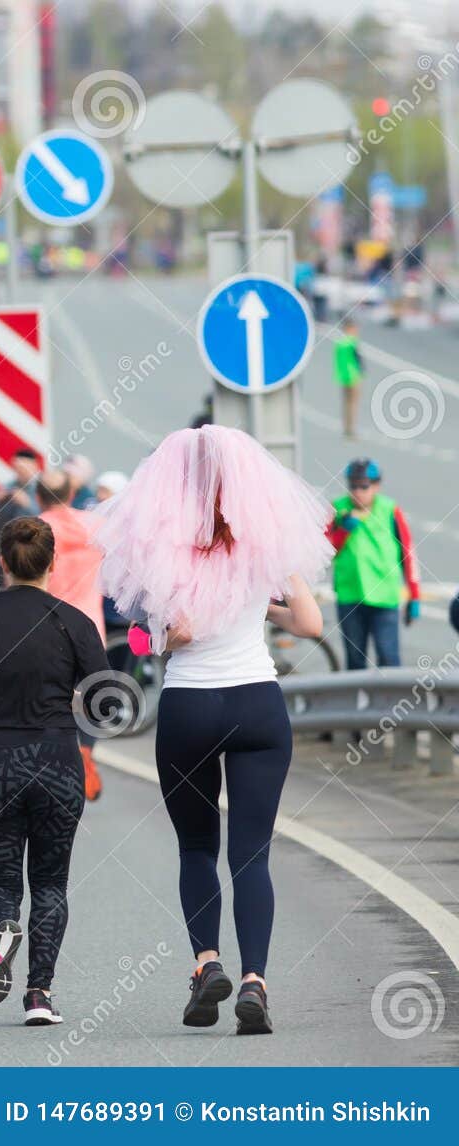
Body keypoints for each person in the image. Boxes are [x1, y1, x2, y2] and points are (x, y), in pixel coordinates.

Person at [94, 425, 329, 1035]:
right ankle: (256, 981)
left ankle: (207, 964)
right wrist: (256, 603)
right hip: (258, 703)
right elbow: (308, 622)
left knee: (197, 847)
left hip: (191, 707)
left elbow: (158, 637)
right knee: (252, 853)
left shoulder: (163, 548)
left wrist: (164, 632)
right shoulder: (264, 544)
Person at [0, 517, 110, 1026]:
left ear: (2, 563)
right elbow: (102, 699)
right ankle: (39, 995)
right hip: (57, 759)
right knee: (51, 883)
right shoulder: (74, 621)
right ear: (53, 563)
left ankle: (3, 931)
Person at [36, 470, 106, 802]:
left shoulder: (36, 529)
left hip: (50, 624)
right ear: (72, 492)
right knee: (90, 697)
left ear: (38, 497)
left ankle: (59, 766)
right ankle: (87, 752)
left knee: (53, 699)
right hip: (90, 622)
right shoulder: (95, 525)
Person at [328, 459, 420, 670]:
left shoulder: (390, 510)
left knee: (389, 660)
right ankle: (358, 703)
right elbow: (324, 552)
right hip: (350, 596)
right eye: (353, 486)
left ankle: (393, 704)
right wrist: (343, 531)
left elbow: (408, 553)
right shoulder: (338, 510)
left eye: (364, 486)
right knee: (355, 662)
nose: (358, 492)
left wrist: (414, 596)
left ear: (376, 486)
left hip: (384, 598)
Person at [335, 318, 362, 438]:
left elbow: (338, 362)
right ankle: (351, 430)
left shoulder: (340, 343)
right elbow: (358, 361)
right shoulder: (352, 342)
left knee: (346, 404)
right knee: (352, 404)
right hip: (353, 377)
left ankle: (346, 428)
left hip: (343, 376)